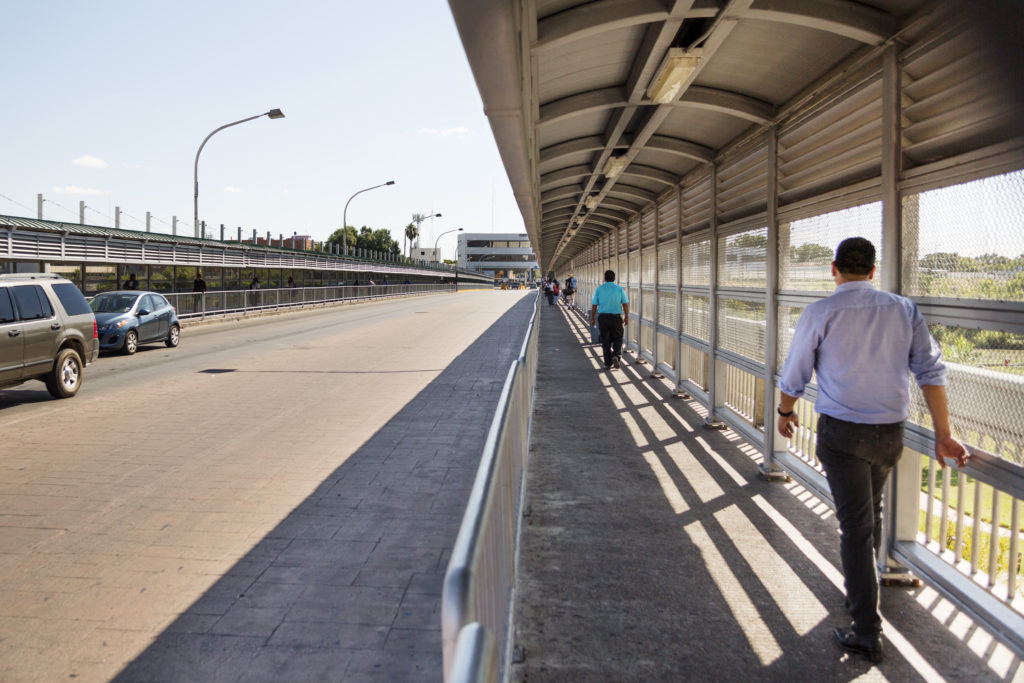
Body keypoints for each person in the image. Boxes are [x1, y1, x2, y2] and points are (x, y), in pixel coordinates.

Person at [776, 237, 969, 664]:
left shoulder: (821, 312)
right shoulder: (903, 309)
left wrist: (784, 411)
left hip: (843, 435)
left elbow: (795, 372)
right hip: (889, 434)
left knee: (856, 529)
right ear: (872, 270)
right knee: (871, 516)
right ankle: (862, 596)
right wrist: (943, 433)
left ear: (834, 269)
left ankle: (866, 629)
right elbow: (930, 369)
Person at [589, 270, 629, 369]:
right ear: (614, 278)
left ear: (605, 278)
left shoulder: (599, 289)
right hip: (616, 317)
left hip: (603, 317)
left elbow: (594, 305)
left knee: (605, 340)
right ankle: (616, 355)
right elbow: (625, 304)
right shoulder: (619, 289)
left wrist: (593, 318)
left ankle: (607, 363)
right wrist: (627, 316)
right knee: (618, 338)